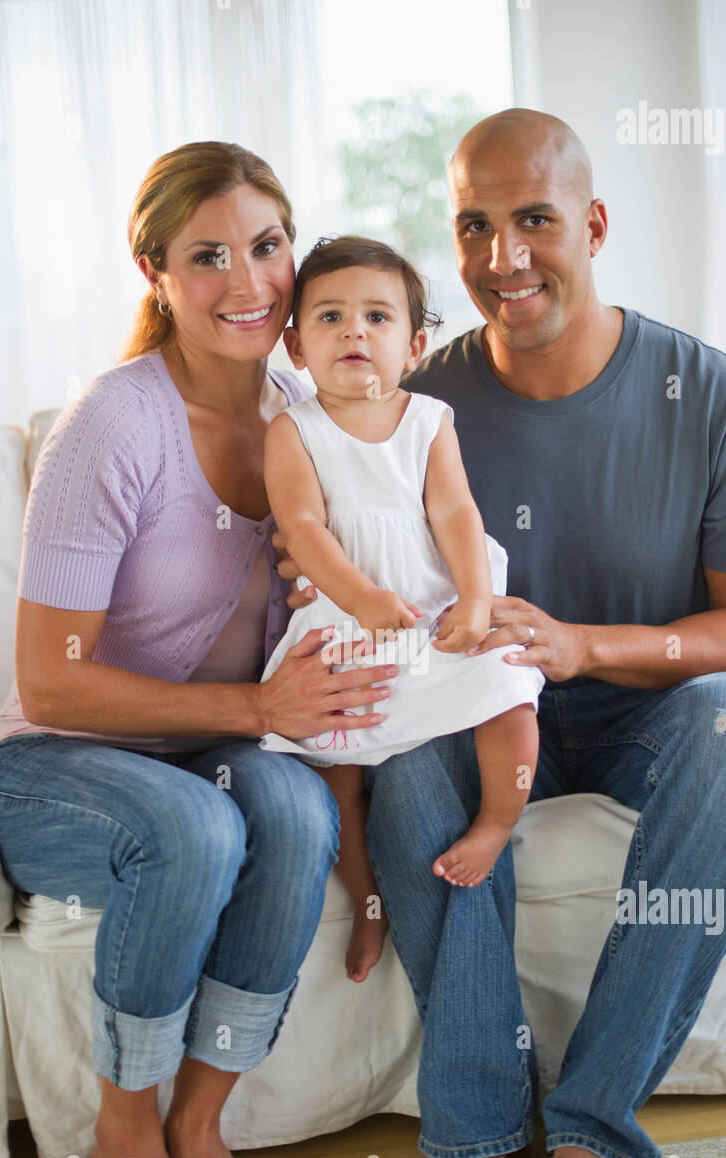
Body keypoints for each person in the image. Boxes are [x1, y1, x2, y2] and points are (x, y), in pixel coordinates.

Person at [277, 108, 726, 1158]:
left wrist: (581, 645)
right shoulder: (415, 396)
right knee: (418, 771)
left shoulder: (714, 396)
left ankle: (597, 1111)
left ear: (594, 224)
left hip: (648, 711)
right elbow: (314, 504)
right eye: (474, 228)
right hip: (473, 704)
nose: (502, 260)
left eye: (533, 222)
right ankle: (472, 1110)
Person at [0, 141, 402, 1158]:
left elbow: (337, 656)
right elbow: (54, 676)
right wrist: (260, 707)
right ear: (155, 269)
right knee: (198, 823)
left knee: (295, 819)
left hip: (205, 743)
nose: (250, 282)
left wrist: (357, 854)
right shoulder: (113, 424)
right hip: (61, 760)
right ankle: (124, 1134)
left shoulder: (311, 413)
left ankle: (199, 1124)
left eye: (267, 246)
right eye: (208, 256)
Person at [258, 235, 544, 981]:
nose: (355, 330)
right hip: (348, 620)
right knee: (334, 769)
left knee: (509, 691)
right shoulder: (294, 432)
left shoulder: (428, 421)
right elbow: (304, 528)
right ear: (295, 346)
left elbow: (456, 512)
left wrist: (477, 599)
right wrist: (360, 597)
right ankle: (367, 900)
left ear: (414, 345)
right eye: (330, 316)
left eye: (377, 317)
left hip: (436, 612)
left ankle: (493, 824)